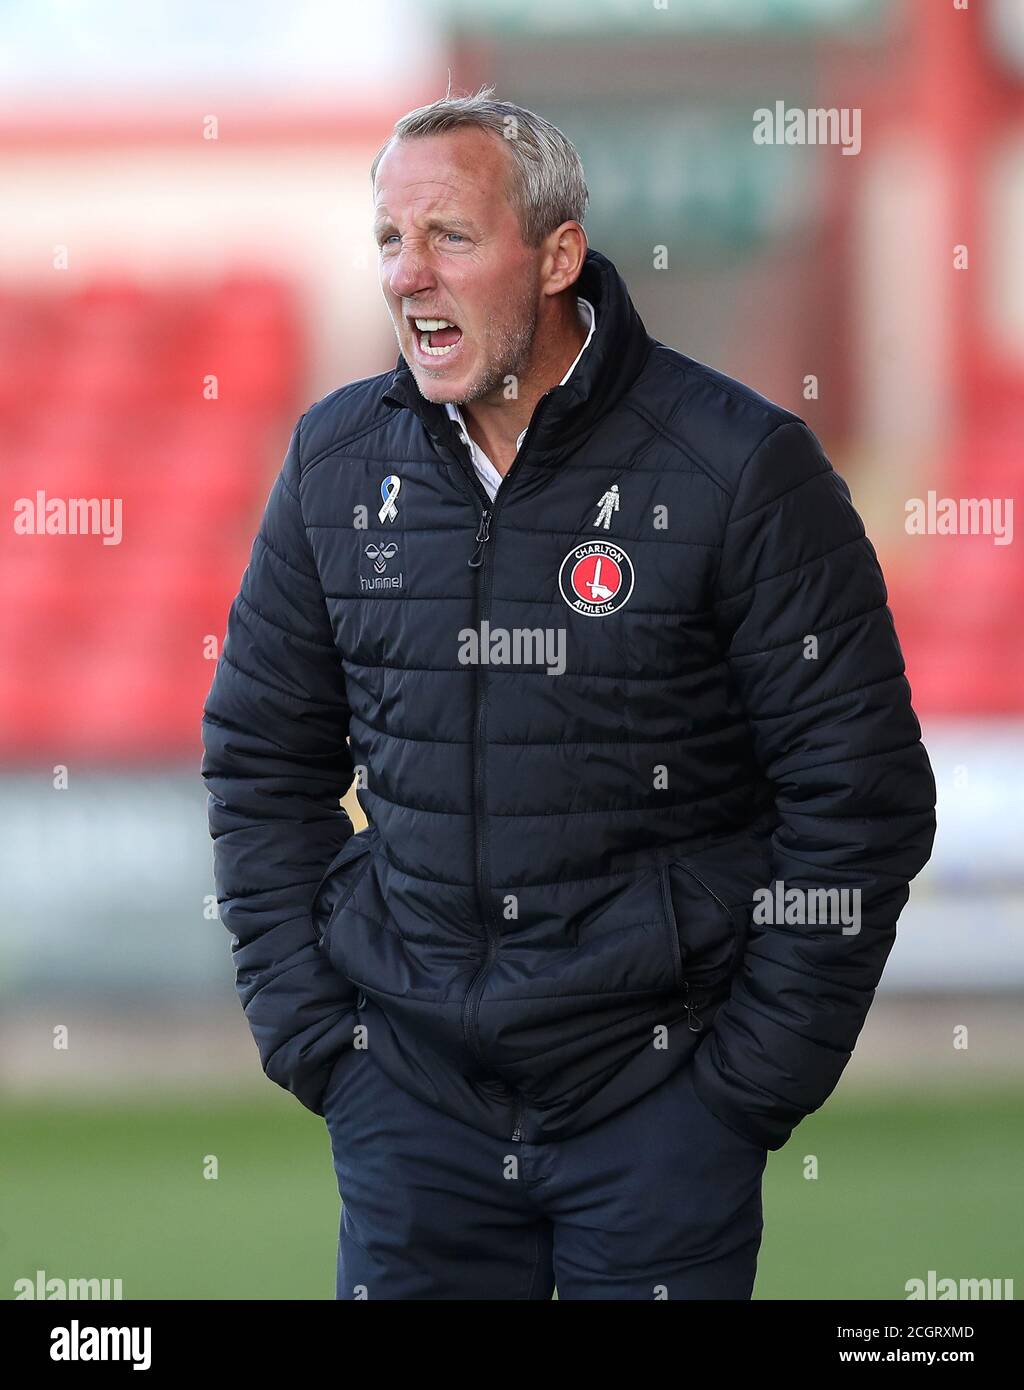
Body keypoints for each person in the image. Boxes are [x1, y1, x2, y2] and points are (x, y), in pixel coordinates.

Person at [201, 89, 937, 1300]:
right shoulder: (334, 463)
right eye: (389, 239)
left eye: (448, 235)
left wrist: (746, 1083)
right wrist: (324, 1042)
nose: (408, 275)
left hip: (659, 1109)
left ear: (555, 255)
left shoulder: (738, 466)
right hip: (411, 1113)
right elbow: (259, 761)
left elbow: (857, 799)